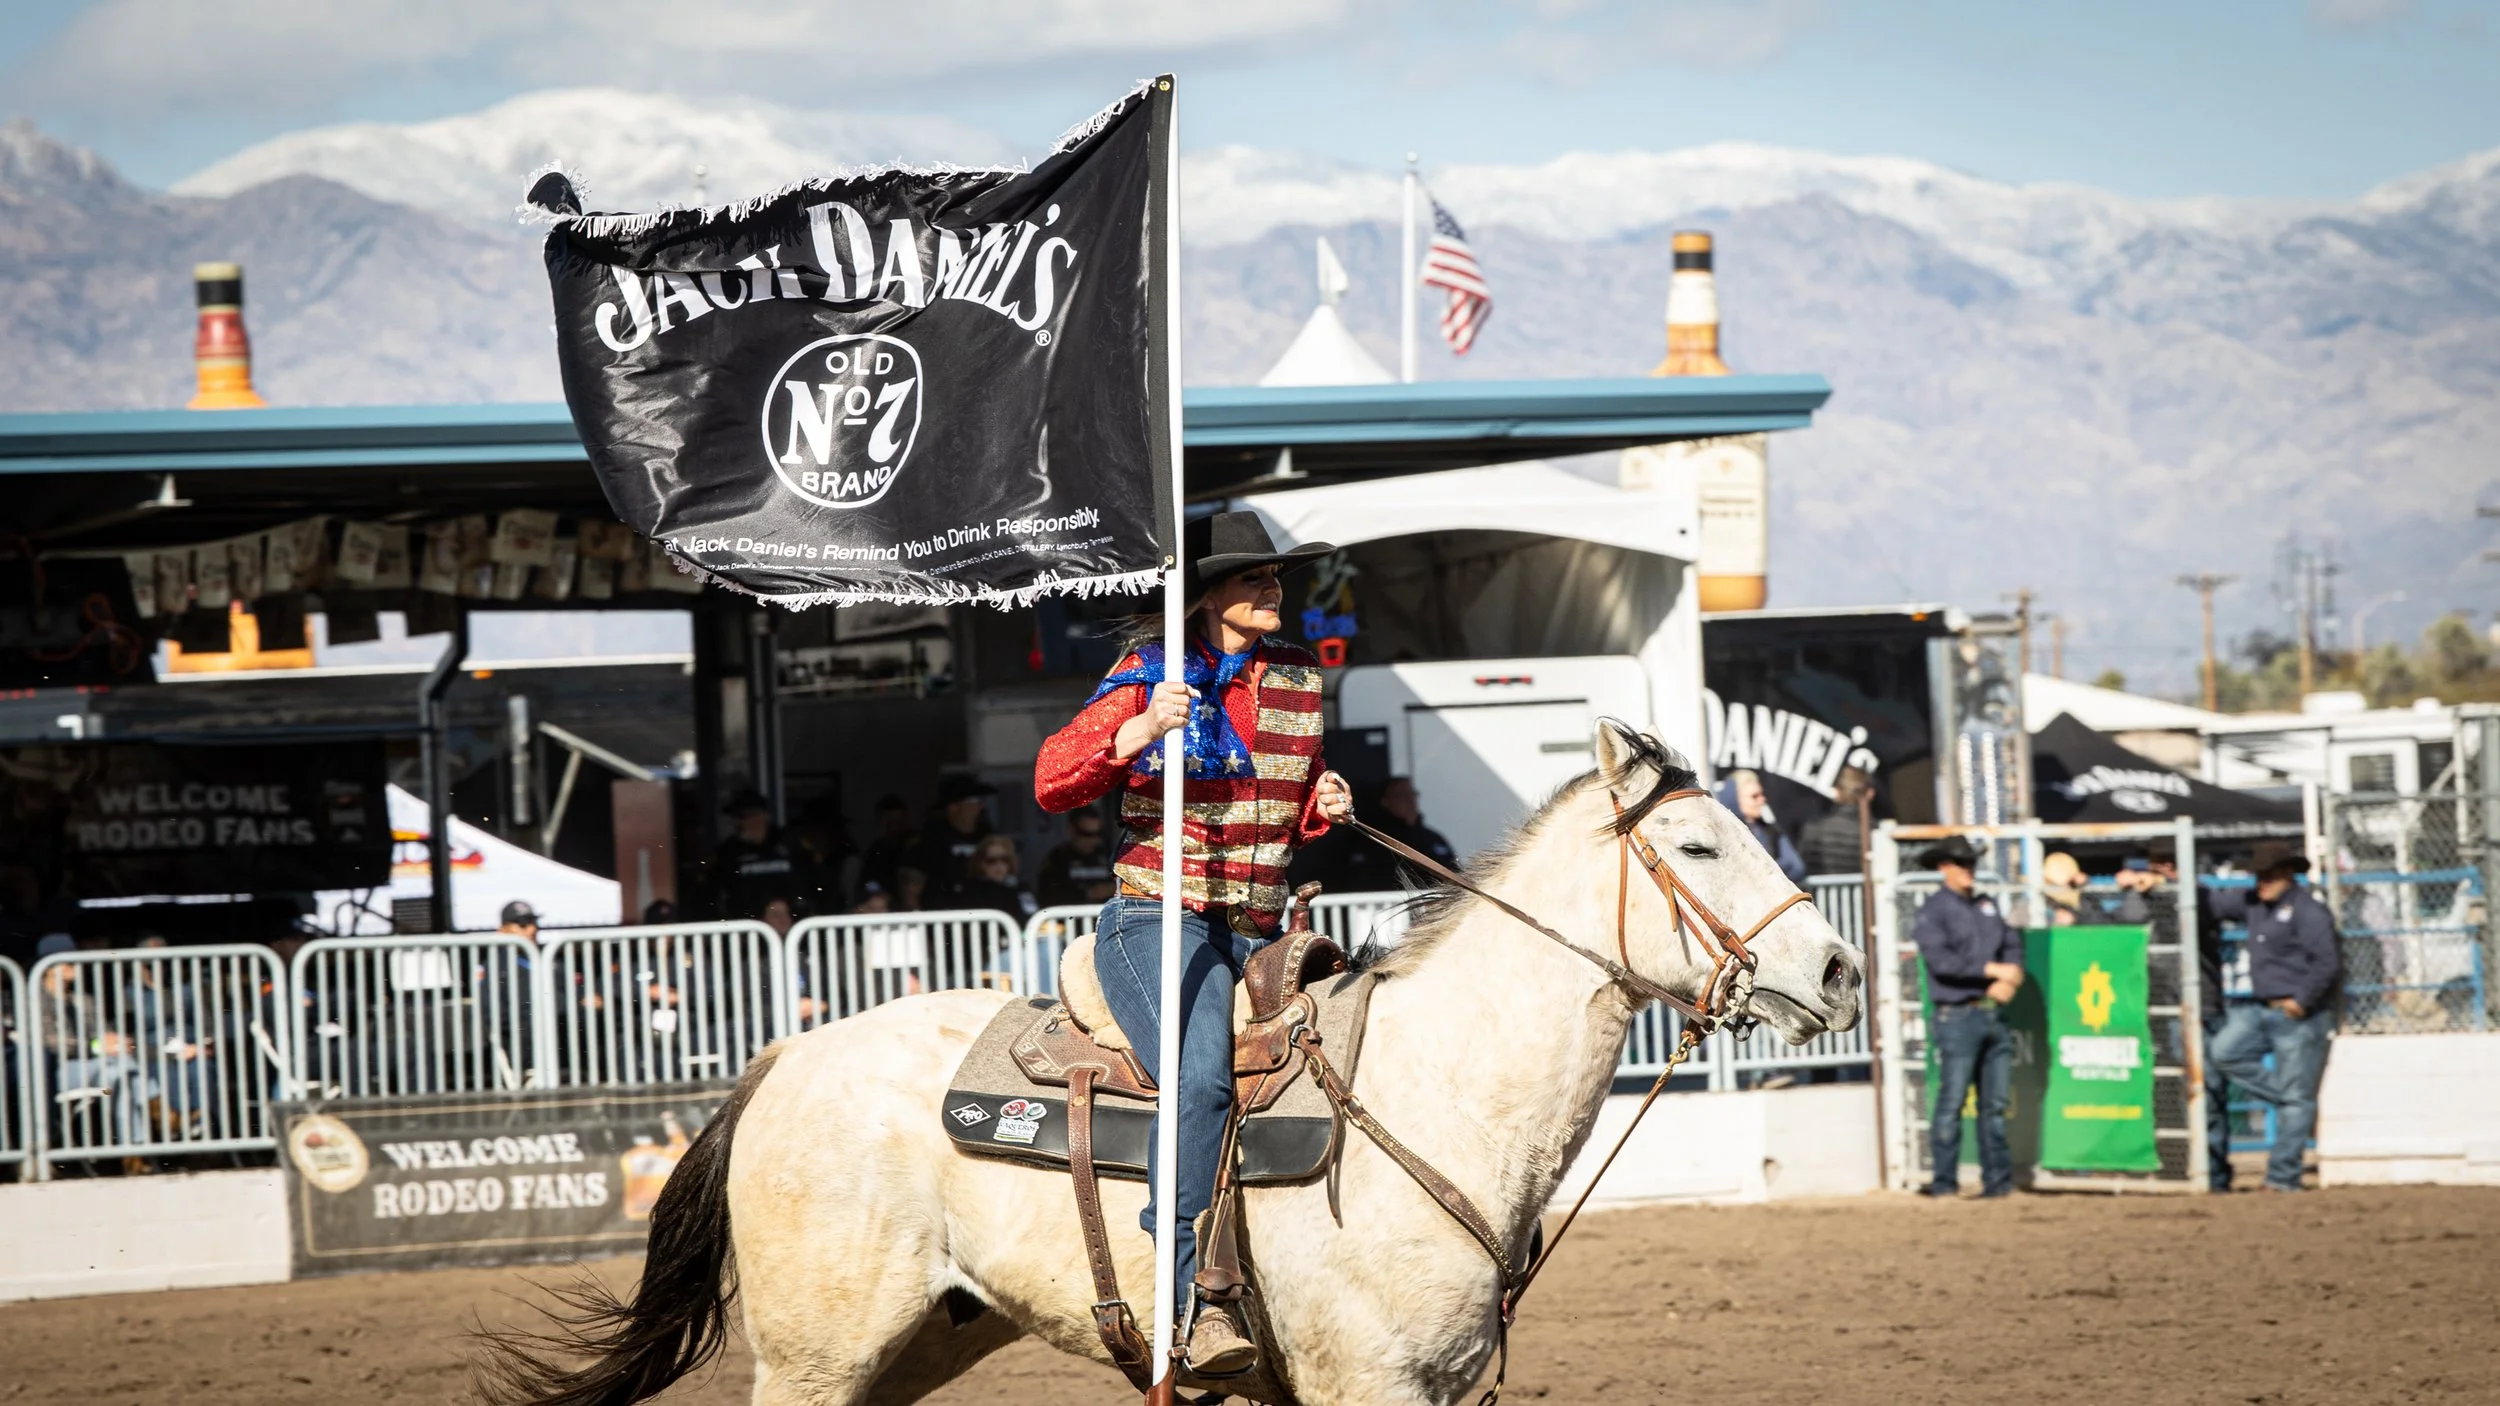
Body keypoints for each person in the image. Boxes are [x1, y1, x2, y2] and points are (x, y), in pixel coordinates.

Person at [1034, 510, 1355, 1377]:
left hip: (1257, 921)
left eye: (1277, 577)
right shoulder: (1149, 673)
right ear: (1207, 595)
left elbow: (1281, 813)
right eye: (1254, 579)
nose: (1271, 589)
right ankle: (1191, 1303)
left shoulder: (1297, 675)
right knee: (1200, 1074)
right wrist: (1135, 734)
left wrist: (1319, 803)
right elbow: (1052, 782)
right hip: (1158, 918)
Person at [2206, 843, 2342, 1192]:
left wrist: (2303, 1000)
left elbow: (2327, 963)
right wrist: (2170, 884)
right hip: (2265, 1008)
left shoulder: (2309, 911)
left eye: (2267, 876)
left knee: (2291, 1093)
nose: (2261, 882)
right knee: (2225, 1052)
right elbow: (2210, 902)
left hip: (2299, 1014)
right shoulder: (2253, 902)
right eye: (2258, 876)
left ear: (2286, 874)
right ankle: (2290, 1102)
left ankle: (2282, 1177)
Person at [1910, 835, 2025, 1198]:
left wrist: (2012, 977)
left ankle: (1998, 1183)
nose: (1969, 871)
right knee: (1953, 1100)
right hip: (1957, 1015)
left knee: (1994, 1105)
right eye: (1962, 864)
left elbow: (2013, 945)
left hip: (1991, 1013)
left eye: (1971, 864)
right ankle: (1945, 1182)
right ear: (1944, 867)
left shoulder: (1986, 905)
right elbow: (1942, 963)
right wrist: (1995, 971)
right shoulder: (1933, 910)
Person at [714, 791, 802, 921]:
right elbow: (722, 893)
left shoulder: (787, 844)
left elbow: (803, 885)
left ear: (763, 816)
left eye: (743, 816)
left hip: (793, 927)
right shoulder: (729, 851)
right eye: (735, 818)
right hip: (747, 929)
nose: (738, 823)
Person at [1716, 768, 1808, 886]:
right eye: (1754, 796)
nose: (1762, 800)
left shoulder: (1771, 831)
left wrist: (1759, 872)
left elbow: (1796, 867)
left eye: (1761, 794)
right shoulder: (1722, 833)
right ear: (1735, 800)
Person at [920, 775, 998, 908]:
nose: (980, 806)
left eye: (981, 801)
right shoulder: (932, 840)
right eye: (973, 800)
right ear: (953, 807)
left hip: (986, 913)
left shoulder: (988, 836)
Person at [1795, 766, 1874, 877]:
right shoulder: (1875, 834)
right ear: (1870, 794)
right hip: (1863, 893)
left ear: (1836, 792)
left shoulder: (1812, 830)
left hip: (1818, 893)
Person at [1036, 807, 1119, 909]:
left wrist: (1112, 889)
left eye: (1098, 834)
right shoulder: (1057, 859)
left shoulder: (1109, 855)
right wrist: (1088, 894)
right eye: (1086, 834)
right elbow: (1049, 896)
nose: (1093, 840)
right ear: (1071, 830)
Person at [955, 834, 1039, 923]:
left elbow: (1032, 914)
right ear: (981, 863)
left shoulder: (1021, 888)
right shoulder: (971, 890)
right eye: (992, 860)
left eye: (1004, 859)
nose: (999, 865)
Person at [857, 794, 917, 901]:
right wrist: (878, 893)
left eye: (898, 821)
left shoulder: (916, 845)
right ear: (880, 822)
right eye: (889, 821)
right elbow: (868, 882)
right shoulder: (876, 850)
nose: (894, 826)